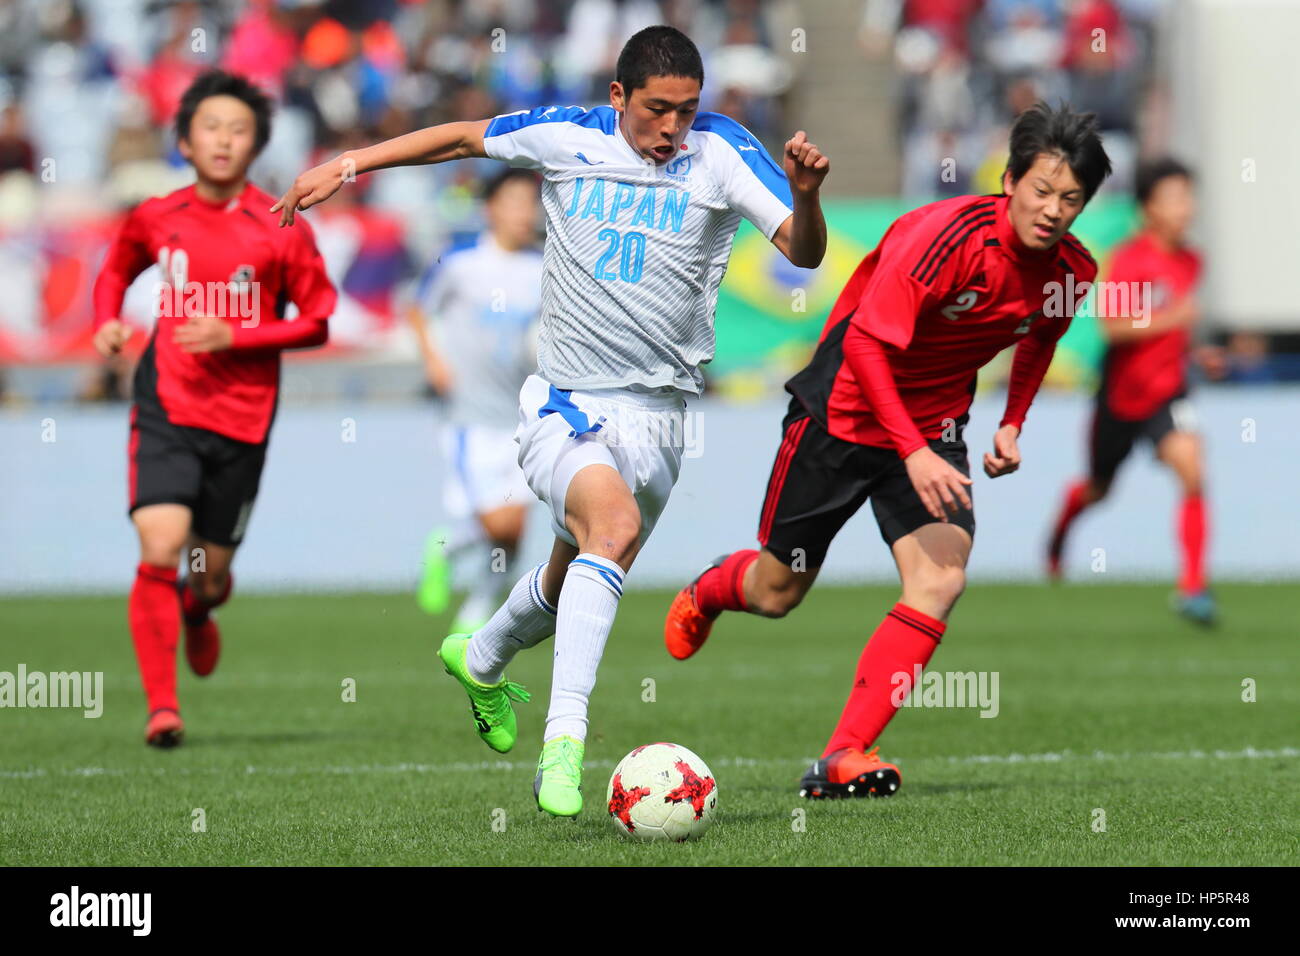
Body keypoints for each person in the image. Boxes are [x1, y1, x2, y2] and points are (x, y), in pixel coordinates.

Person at [275, 24, 829, 817]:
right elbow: (463, 138)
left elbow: (803, 254)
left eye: (686, 110)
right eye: (656, 110)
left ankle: (483, 654)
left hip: (663, 419)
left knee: (575, 573)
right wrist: (350, 163)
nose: (672, 128)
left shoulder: (723, 152)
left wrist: (805, 198)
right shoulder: (568, 137)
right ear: (618, 98)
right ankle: (564, 744)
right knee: (612, 530)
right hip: (568, 403)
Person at [663, 102, 1110, 799]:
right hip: (842, 412)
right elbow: (868, 345)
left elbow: (1041, 339)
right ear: (1011, 180)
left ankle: (845, 753)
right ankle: (715, 588)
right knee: (778, 593)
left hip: (934, 429)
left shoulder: (1072, 270)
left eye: (1072, 199)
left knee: (940, 580)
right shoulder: (946, 235)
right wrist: (914, 452)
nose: (1054, 210)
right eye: (1042, 190)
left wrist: (1013, 421)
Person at [92, 70, 337, 747]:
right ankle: (162, 709)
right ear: (184, 141)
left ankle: (199, 610)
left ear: (256, 143)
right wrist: (107, 320)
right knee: (160, 545)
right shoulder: (155, 217)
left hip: (243, 420)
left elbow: (319, 319)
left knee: (206, 571)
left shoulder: (281, 224)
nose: (224, 140)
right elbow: (114, 268)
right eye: (211, 127)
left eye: (239, 129)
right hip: (166, 405)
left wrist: (239, 334)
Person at [1047, 158, 1212, 624]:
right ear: (1148, 209)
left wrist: (1199, 354)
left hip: (1168, 394)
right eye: (1175, 198)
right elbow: (1115, 326)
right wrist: (1170, 320)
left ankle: (1193, 587)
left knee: (1192, 466)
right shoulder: (1129, 259)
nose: (1186, 208)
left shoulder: (1192, 259)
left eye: (1188, 196)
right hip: (1120, 397)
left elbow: (1177, 336)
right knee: (1099, 489)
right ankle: (1060, 536)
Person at [409, 169, 543, 632]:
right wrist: (434, 360)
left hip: (522, 414)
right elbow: (418, 307)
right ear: (491, 209)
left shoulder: (542, 268)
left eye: (532, 202)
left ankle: (474, 617)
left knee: (515, 532)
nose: (526, 212)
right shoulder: (461, 262)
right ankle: (445, 548)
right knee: (498, 525)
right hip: (469, 415)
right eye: (515, 202)